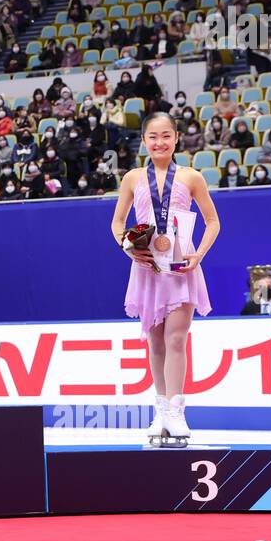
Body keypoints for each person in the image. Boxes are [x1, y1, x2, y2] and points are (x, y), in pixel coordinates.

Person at [110, 112, 218, 447]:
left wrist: (197, 254)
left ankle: (177, 411)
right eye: (153, 137)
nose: (160, 142)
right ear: (144, 140)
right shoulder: (131, 178)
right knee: (154, 342)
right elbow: (117, 224)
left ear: (176, 138)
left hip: (181, 268)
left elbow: (213, 221)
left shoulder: (191, 177)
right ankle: (159, 410)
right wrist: (130, 249)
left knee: (175, 340)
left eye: (166, 135)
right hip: (146, 269)